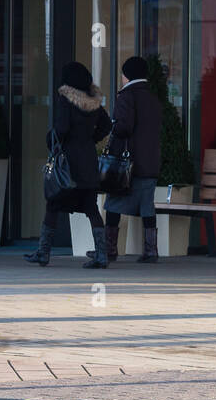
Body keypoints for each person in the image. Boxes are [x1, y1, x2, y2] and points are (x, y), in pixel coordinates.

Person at [25, 61, 112, 268]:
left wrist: (51, 140)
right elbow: (107, 125)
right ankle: (102, 254)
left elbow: (62, 128)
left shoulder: (66, 99)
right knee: (91, 208)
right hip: (88, 161)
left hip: (69, 162)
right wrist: (91, 139)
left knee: (53, 204)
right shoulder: (94, 102)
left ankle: (43, 252)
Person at [100, 56, 164, 263]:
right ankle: (151, 251)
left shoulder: (127, 96)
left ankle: (109, 250)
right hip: (150, 161)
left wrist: (112, 124)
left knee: (113, 203)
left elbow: (124, 128)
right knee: (147, 205)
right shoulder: (153, 97)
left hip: (128, 163)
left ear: (127, 75)